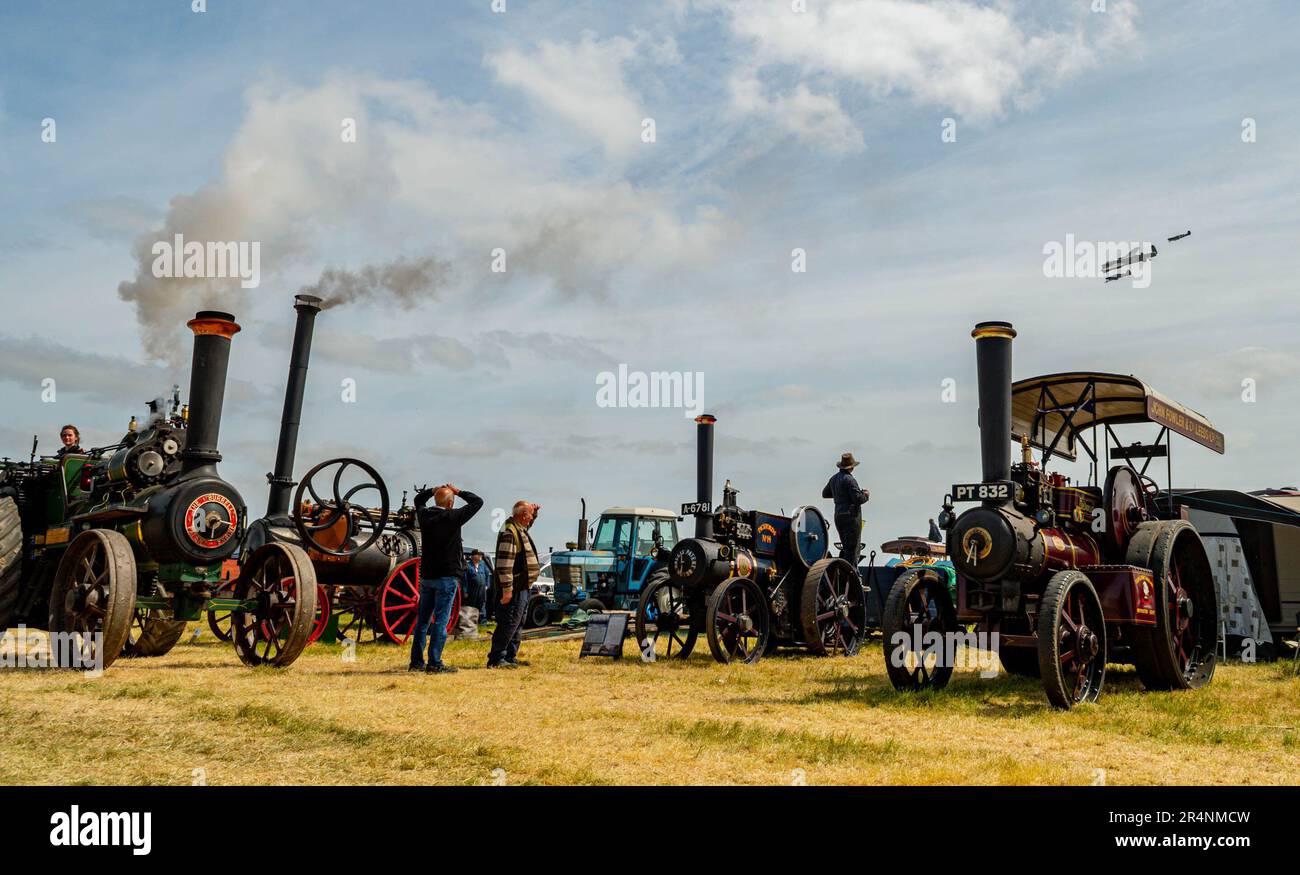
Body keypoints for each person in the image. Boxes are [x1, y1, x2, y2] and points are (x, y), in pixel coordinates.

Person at [410, 483, 483, 673]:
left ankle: (416, 662)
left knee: (423, 621)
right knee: (441, 620)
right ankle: (435, 662)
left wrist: (432, 491)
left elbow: (418, 500)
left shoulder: (424, 515)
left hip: (427, 574)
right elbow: (477, 502)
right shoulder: (453, 516)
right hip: (447, 575)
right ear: (450, 503)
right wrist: (459, 491)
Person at [488, 500, 541, 669]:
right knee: (509, 622)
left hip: (523, 586)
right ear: (523, 515)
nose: (531, 518)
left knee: (518, 622)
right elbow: (504, 564)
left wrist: (536, 514)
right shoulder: (510, 532)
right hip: (515, 587)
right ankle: (497, 658)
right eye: (530, 515)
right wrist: (507, 590)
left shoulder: (518, 528)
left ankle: (510, 656)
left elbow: (528, 527)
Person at [822, 452, 869, 566]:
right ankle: (851, 577)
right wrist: (866, 494)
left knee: (846, 547)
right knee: (853, 550)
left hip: (838, 515)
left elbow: (825, 493)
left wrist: (840, 495)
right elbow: (858, 499)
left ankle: (847, 575)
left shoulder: (833, 479)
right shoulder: (850, 479)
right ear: (852, 467)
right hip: (850, 516)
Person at [456, 550, 489, 640]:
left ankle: (483, 624)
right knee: (472, 607)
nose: (480, 557)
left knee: (482, 605)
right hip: (472, 590)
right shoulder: (468, 565)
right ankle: (471, 624)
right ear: (473, 556)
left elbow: (487, 575)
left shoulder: (482, 564)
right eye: (478, 555)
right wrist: (465, 591)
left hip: (482, 589)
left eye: (480, 555)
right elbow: (464, 580)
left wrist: (487, 585)